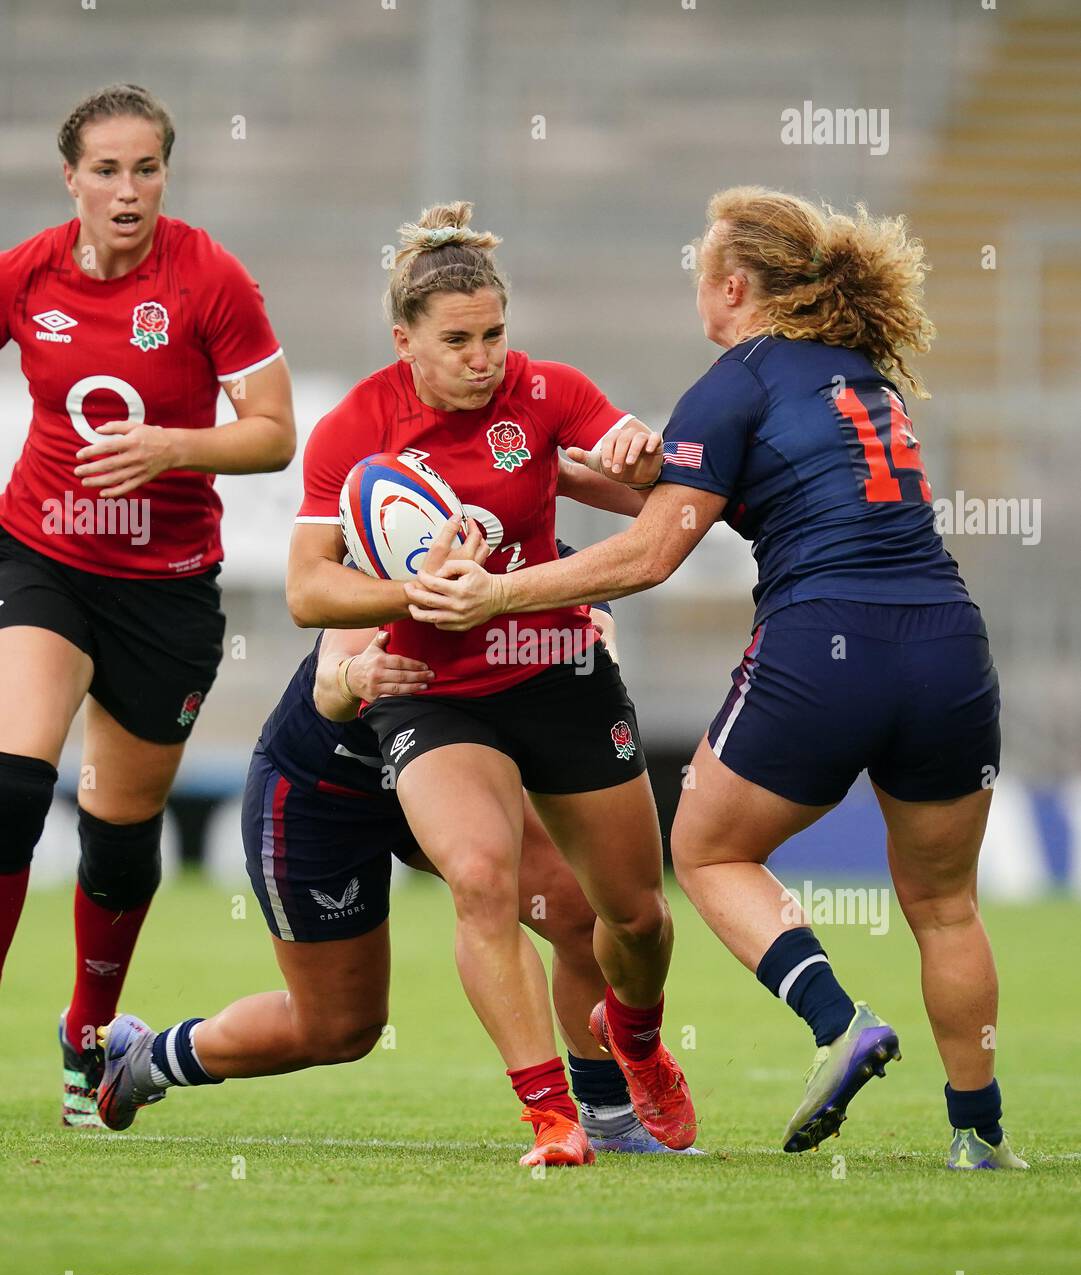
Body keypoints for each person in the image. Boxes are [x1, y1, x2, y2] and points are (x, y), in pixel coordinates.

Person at [407, 185, 1026, 1172]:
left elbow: (655, 555)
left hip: (826, 640)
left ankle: (837, 1022)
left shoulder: (734, 379)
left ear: (731, 284)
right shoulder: (861, 378)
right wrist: (552, 470)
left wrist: (497, 593)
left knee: (703, 852)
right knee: (945, 905)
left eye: (699, 260)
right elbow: (715, 503)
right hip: (949, 645)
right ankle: (979, 1135)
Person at [283, 201, 697, 1165]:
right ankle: (552, 1116)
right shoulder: (355, 428)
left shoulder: (546, 391)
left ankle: (635, 1043)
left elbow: (644, 479)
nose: (484, 358)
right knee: (479, 879)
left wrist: (639, 452)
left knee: (629, 917)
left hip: (556, 668)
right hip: (434, 689)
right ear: (404, 340)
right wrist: (415, 591)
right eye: (458, 340)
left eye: (495, 335)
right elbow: (308, 591)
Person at [96, 528, 694, 1160]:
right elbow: (330, 688)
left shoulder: (547, 559)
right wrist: (357, 674)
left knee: (578, 915)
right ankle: (148, 1059)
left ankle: (605, 1115)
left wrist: (597, 654)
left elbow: (600, 639)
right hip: (323, 798)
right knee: (340, 1030)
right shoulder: (385, 569)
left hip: (447, 777)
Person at [0, 84, 296, 1126]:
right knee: (10, 780)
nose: (127, 191)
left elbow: (273, 433)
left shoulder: (209, 276)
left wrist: (176, 445)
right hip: (43, 559)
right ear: (70, 178)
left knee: (118, 833)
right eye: (107, 170)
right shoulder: (26, 273)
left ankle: (89, 1032)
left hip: (165, 592)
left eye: (146, 170)